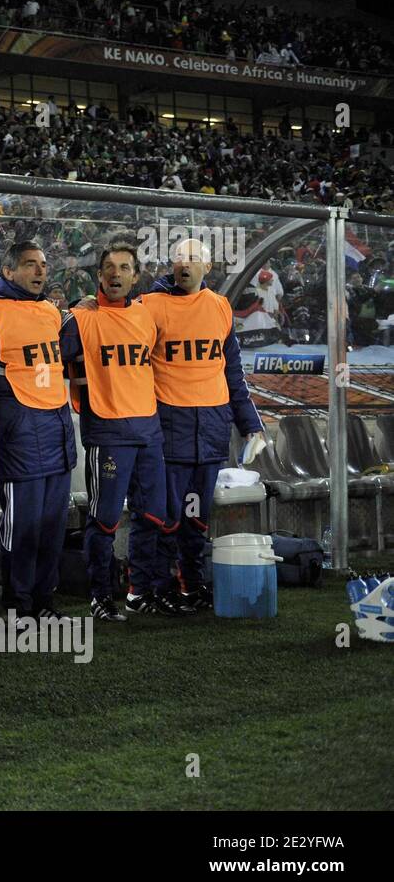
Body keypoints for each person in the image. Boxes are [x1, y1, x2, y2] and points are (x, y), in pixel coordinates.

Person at [60, 241, 185, 620]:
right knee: (105, 520)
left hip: (149, 431)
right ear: (99, 275)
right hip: (107, 432)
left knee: (152, 516)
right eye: (109, 268)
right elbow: (53, 360)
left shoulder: (147, 316)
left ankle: (140, 591)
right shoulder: (79, 319)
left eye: (124, 267)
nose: (116, 274)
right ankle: (101, 597)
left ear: (135, 276)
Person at [139, 237, 266, 608]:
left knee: (196, 517)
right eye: (178, 257)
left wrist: (250, 426)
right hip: (169, 429)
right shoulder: (148, 306)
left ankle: (190, 585)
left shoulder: (221, 308)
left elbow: (234, 375)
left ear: (207, 268)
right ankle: (159, 587)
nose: (184, 263)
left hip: (210, 432)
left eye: (193, 258)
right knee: (166, 517)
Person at [0, 241, 76, 619]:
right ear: (8, 271)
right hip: (19, 433)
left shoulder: (51, 311)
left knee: (52, 526)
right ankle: (18, 605)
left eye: (44, 265)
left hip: (57, 428)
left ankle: (45, 602)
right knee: (22, 528)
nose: (40, 272)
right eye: (30, 265)